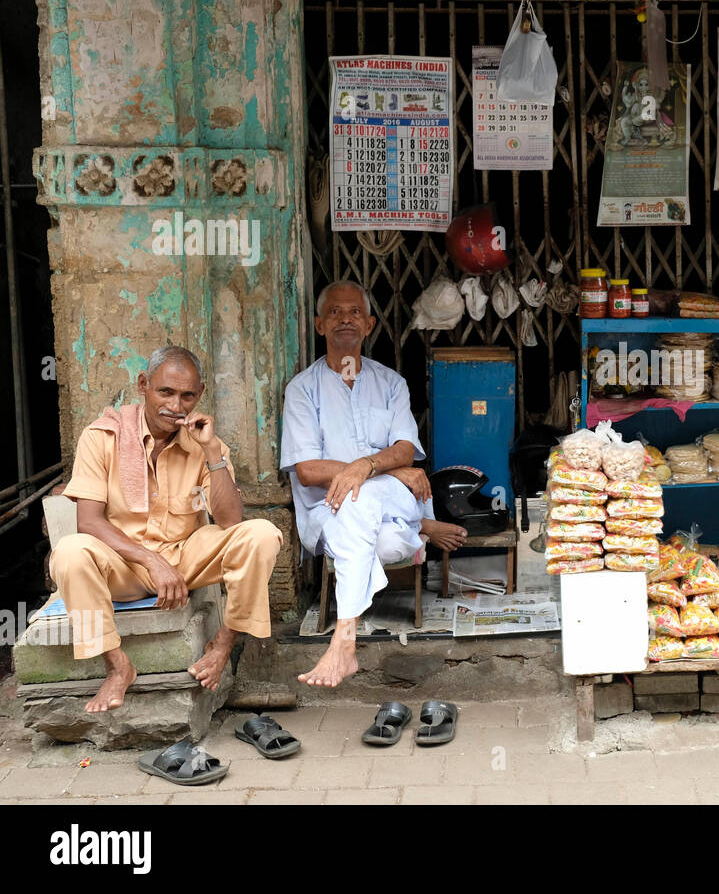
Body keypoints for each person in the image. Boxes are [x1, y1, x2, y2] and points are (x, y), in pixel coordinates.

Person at [51, 345, 281, 712]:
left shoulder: (206, 443)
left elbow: (230, 520)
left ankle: (221, 647)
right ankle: (117, 666)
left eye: (187, 395)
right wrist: (151, 561)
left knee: (262, 534)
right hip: (123, 564)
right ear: (143, 385)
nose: (176, 405)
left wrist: (212, 455)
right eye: (166, 392)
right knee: (69, 552)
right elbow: (89, 521)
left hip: (185, 556)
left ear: (200, 395)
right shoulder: (102, 436)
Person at [281, 281, 467, 688]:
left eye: (353, 313)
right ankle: (418, 529)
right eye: (334, 312)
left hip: (382, 499)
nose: (344, 319)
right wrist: (385, 470)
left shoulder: (391, 384)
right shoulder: (302, 391)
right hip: (327, 512)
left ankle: (343, 640)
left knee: (359, 500)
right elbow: (309, 470)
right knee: (381, 542)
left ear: (368, 325)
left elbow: (405, 449)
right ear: (318, 325)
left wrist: (365, 468)